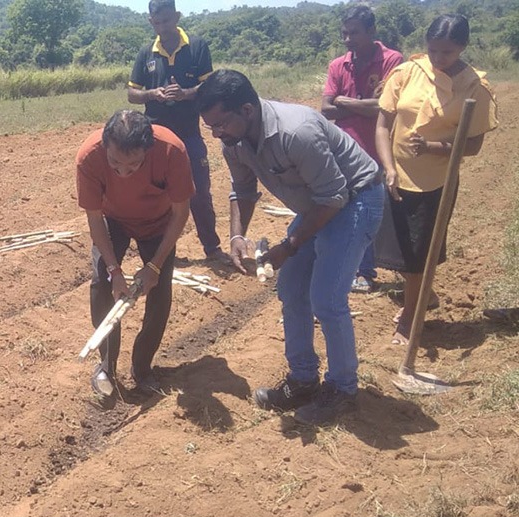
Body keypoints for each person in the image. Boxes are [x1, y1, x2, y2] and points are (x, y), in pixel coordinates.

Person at [197, 70, 384, 426]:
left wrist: (289, 245)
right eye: (211, 127)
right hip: (318, 202)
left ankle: (343, 390)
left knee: (327, 299)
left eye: (221, 123)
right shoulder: (234, 142)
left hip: (355, 199)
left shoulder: (295, 132)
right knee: (291, 289)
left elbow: (335, 197)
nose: (217, 133)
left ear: (248, 110)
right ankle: (303, 380)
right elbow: (243, 190)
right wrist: (237, 236)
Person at [375, 13, 498, 345]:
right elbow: (383, 126)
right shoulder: (406, 73)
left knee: (418, 256)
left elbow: (472, 145)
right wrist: (388, 167)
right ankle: (424, 296)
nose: (438, 59)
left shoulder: (475, 86)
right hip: (395, 175)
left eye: (447, 53)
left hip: (435, 182)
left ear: (462, 48)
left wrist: (434, 147)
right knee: (398, 252)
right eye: (433, 51)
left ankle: (411, 318)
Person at [77, 109, 193, 397]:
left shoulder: (172, 151)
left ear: (148, 150)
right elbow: (94, 219)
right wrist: (115, 271)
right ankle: (105, 364)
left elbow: (181, 212)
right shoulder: (89, 157)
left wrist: (153, 267)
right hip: (113, 220)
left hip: (158, 222)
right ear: (105, 146)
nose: (123, 172)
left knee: (159, 288)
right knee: (101, 282)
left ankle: (142, 367)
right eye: (115, 163)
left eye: (134, 165)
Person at [127, 0, 221, 261]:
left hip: (189, 133)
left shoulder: (197, 47)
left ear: (177, 17)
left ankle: (212, 249)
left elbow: (209, 87)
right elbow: (132, 94)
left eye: (167, 21)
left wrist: (186, 94)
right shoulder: (146, 53)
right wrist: (152, 94)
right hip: (155, 138)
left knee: (199, 192)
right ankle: (162, 254)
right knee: (157, 196)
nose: (162, 28)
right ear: (150, 21)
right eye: (157, 23)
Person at [321, 4, 404, 294]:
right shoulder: (337, 65)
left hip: (379, 149)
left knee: (374, 211)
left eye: (354, 33)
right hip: (344, 151)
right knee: (345, 209)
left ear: (372, 31)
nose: (347, 39)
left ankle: (368, 271)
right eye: (344, 33)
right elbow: (326, 109)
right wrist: (360, 107)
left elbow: (386, 107)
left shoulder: (393, 61)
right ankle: (355, 269)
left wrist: (344, 102)